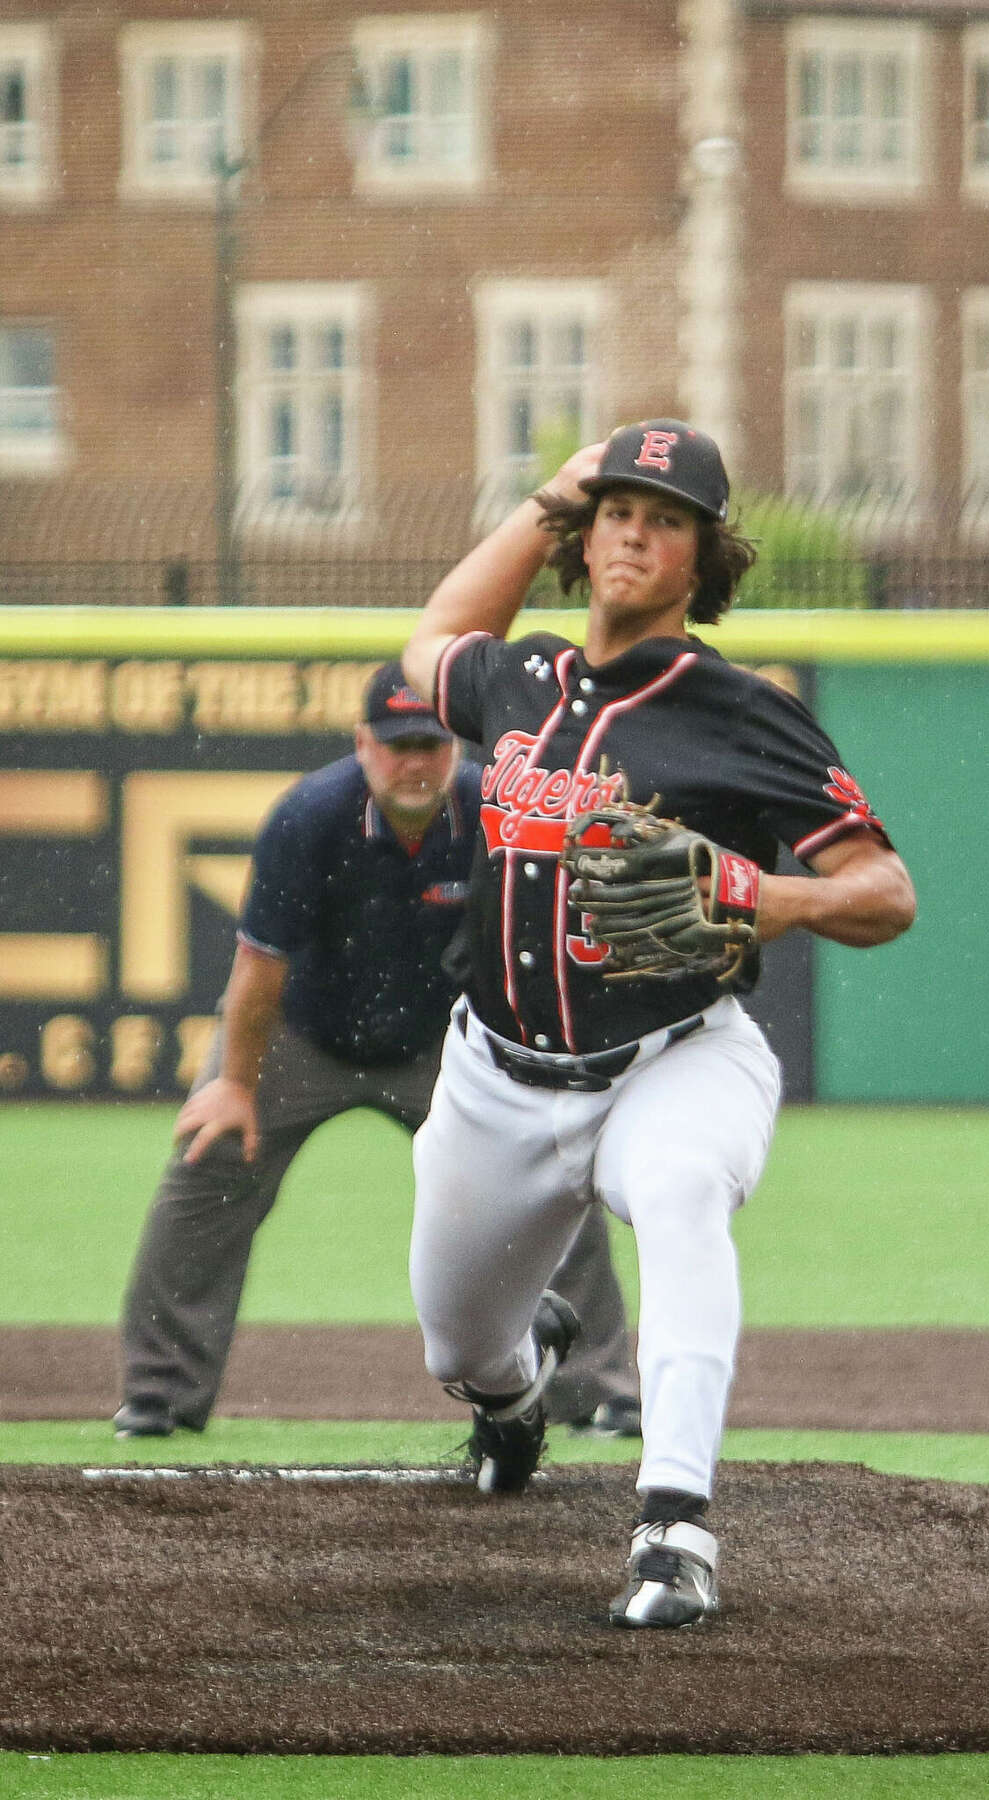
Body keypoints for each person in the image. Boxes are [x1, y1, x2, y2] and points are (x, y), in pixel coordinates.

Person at [399, 419, 917, 1629]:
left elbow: (885, 894)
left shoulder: (742, 713)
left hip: (674, 1061)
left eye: (667, 517)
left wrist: (765, 893)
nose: (637, 530)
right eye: (619, 510)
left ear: (704, 558)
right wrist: (548, 498)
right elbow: (428, 643)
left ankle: (673, 1523)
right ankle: (517, 1395)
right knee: (457, 1347)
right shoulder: (521, 679)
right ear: (589, 536)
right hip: (497, 1079)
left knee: (681, 1192)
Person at [114, 663, 640, 1442]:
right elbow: (259, 974)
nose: (414, 762)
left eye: (430, 744)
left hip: (442, 1039)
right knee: (208, 1166)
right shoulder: (311, 817)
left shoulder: (490, 813)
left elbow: (536, 940)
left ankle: (599, 1390)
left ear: (456, 749)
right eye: (396, 746)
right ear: (363, 746)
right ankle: (158, 1396)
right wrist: (234, 1084)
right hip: (300, 1032)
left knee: (548, 1171)